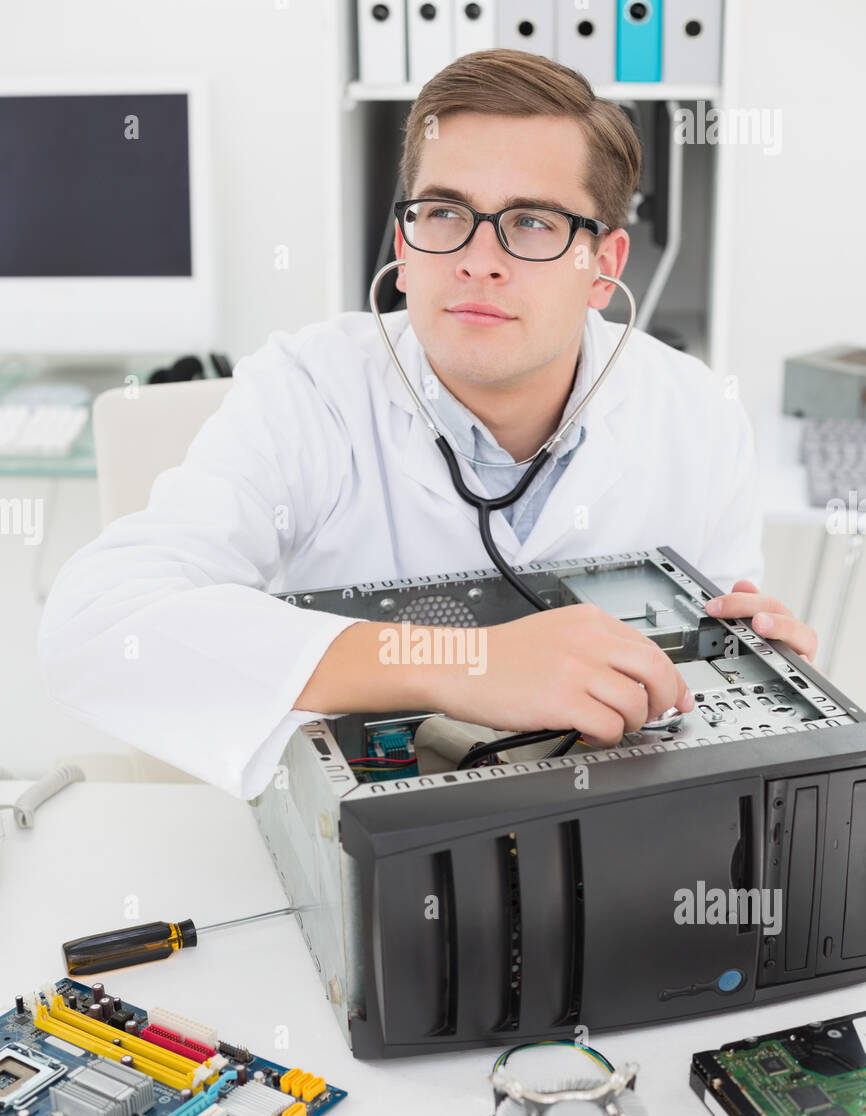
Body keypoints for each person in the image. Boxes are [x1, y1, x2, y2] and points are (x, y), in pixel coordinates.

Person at [38, 49, 817, 800]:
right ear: (405, 250)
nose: (478, 259)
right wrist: (462, 662)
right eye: (444, 213)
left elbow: (706, 694)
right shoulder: (307, 391)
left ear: (604, 267)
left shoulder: (697, 415)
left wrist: (758, 669)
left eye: (535, 223)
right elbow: (99, 624)